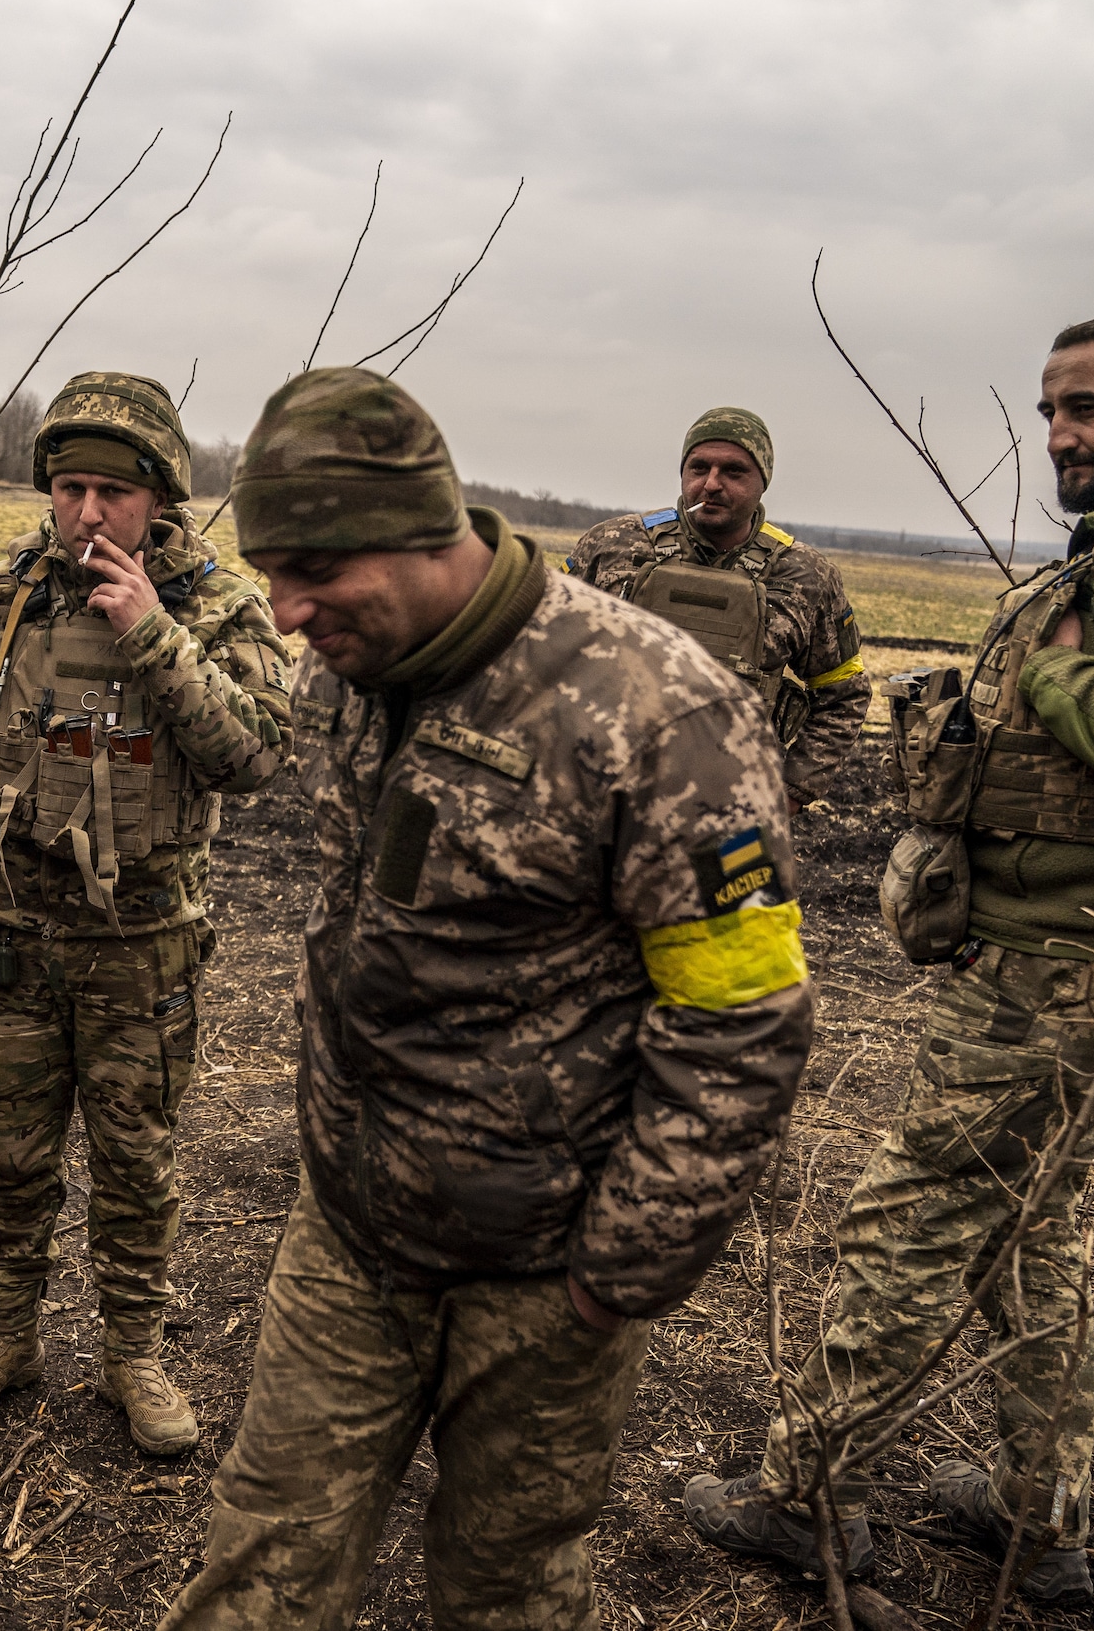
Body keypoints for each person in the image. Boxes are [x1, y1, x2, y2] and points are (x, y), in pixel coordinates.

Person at [161, 367, 813, 1629]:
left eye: (310, 573)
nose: (283, 614)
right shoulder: (355, 660)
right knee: (257, 1564)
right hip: (349, 1231)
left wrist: (616, 1273)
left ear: (420, 530)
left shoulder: (656, 708)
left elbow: (740, 1024)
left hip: (541, 1274)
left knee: (504, 1590)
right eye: (268, 572)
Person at [683, 311, 1094, 1605]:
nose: (1063, 433)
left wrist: (1072, 686)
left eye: (1092, 405)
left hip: (1067, 964)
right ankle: (1044, 1516)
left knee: (909, 1219)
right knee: (1036, 1230)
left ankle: (806, 1497)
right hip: (1074, 956)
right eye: (1052, 409)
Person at [0, 372, 292, 1456]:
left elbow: (252, 756)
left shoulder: (218, 606)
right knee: (11, 1157)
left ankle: (131, 1356)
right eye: (69, 488)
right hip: (7, 936)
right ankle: (3, 1337)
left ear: (160, 497)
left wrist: (154, 634)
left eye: (111, 490)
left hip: (138, 951)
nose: (88, 512)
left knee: (135, 1162)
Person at [565, 408, 870, 807]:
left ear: (763, 482)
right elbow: (540, 652)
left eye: (733, 471)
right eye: (698, 467)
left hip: (727, 810)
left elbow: (843, 693)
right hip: (597, 798)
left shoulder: (806, 576)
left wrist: (789, 792)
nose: (710, 484)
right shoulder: (612, 546)